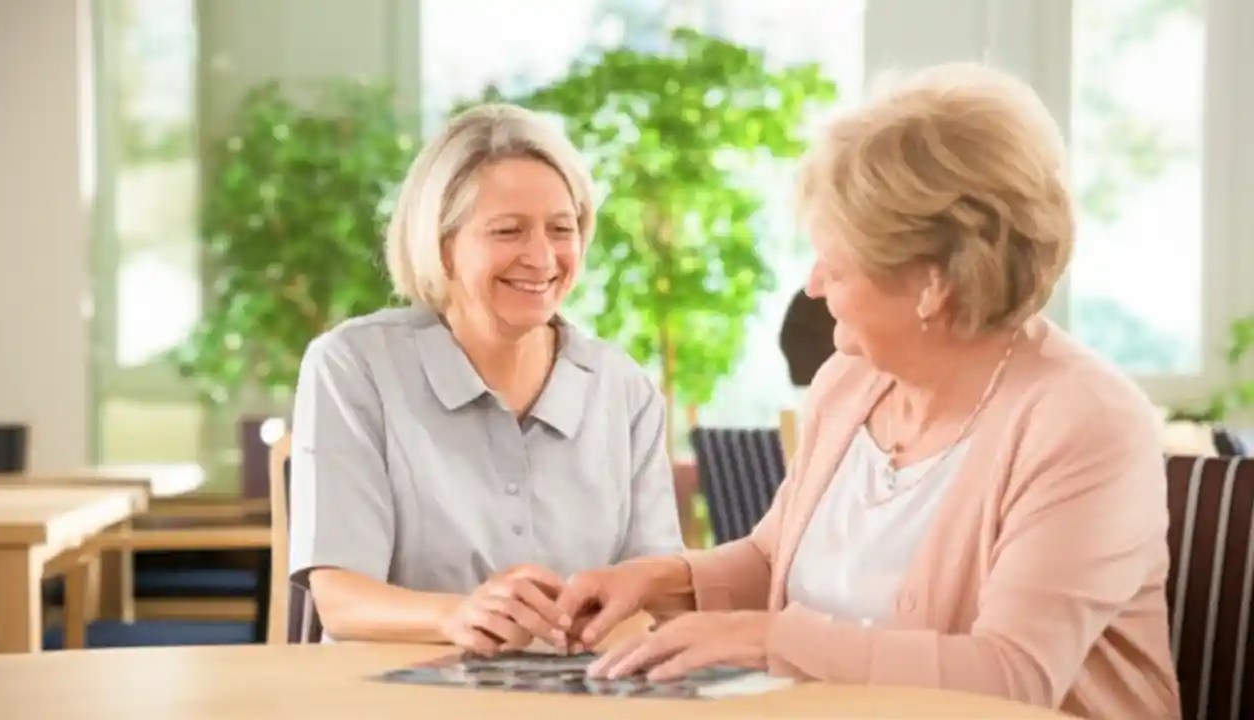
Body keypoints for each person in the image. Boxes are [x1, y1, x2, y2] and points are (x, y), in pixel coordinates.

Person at [555, 63, 1182, 719]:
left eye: (837, 262)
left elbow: (1011, 675)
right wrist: (661, 581)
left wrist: (769, 641)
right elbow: (776, 559)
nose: (815, 286)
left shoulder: (1085, 421)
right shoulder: (850, 382)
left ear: (933, 284)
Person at [287, 103, 684, 655]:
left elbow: (654, 598)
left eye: (561, 229)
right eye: (508, 231)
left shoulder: (624, 389)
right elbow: (340, 598)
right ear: (442, 244)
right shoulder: (354, 366)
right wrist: (459, 615)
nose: (542, 257)